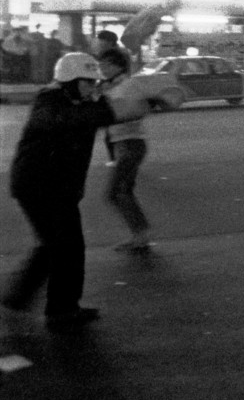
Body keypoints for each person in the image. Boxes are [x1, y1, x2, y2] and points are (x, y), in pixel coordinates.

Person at [4, 52, 145, 331]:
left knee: (54, 246)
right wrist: (109, 109)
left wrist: (145, 101)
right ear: (70, 80)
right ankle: (61, 311)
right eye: (87, 82)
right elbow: (65, 120)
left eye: (95, 82)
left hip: (55, 188)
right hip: (39, 187)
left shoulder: (80, 101)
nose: (93, 87)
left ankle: (18, 299)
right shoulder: (50, 100)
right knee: (67, 247)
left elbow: (102, 111)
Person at [97, 47, 154, 253]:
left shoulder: (129, 85)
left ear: (117, 66)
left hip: (132, 144)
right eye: (101, 65)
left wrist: (113, 111)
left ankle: (141, 235)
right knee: (123, 190)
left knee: (115, 192)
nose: (102, 69)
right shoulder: (107, 86)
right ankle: (140, 235)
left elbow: (140, 110)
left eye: (106, 65)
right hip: (123, 144)